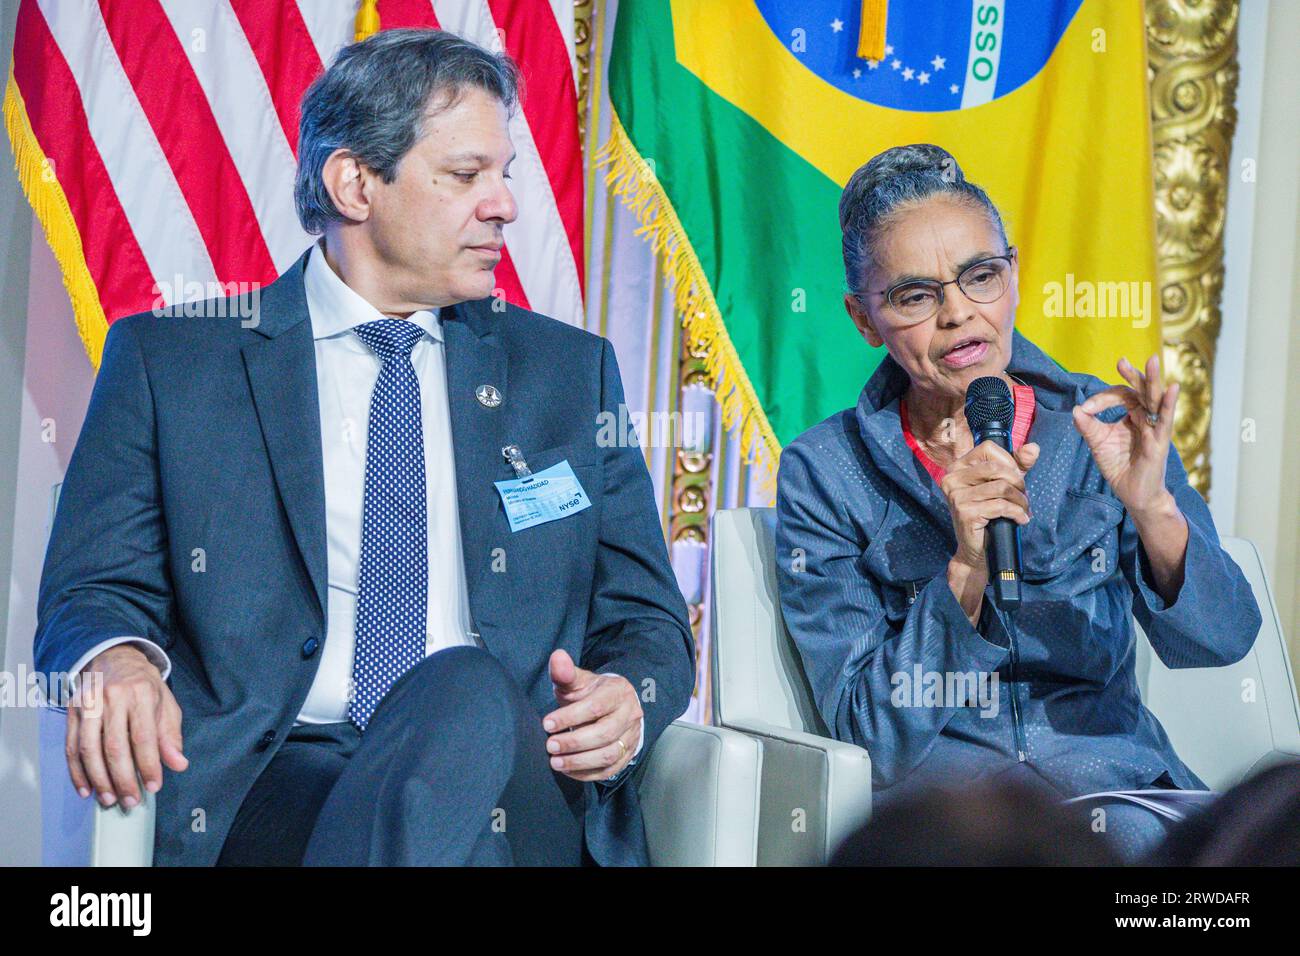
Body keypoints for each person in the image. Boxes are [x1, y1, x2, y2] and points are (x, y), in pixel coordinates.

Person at [34, 28, 694, 867]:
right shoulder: (174, 363)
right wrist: (119, 656)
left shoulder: (567, 375)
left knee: (466, 692)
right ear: (355, 183)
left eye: (505, 175)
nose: (505, 205)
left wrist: (629, 698)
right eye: (465, 176)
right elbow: (88, 592)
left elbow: (648, 620)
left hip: (519, 785)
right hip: (275, 786)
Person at [775, 143, 1261, 864]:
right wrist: (966, 572)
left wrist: (1155, 507)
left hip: (1116, 792)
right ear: (863, 319)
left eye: (980, 277)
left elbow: (1222, 641)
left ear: (1015, 275)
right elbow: (867, 732)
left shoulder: (1099, 422)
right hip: (947, 817)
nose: (958, 315)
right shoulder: (825, 471)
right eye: (915, 296)